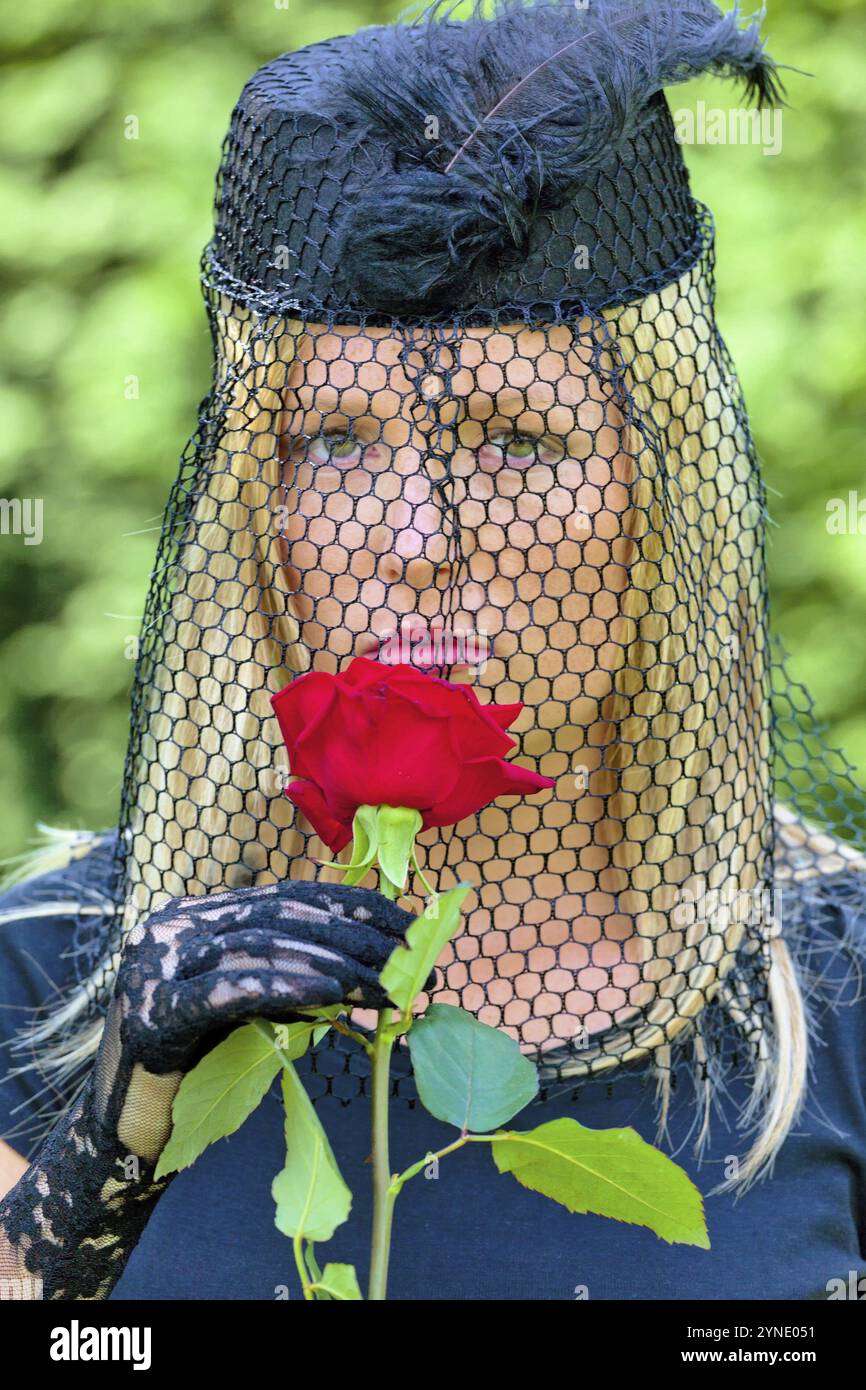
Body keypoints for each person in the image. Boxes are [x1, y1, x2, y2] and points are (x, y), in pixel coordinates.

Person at [1, 0, 864, 1301]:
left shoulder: (836, 987)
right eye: (332, 443)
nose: (412, 537)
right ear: (253, 504)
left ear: (661, 496)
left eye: (516, 441)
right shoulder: (50, 962)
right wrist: (114, 1124)